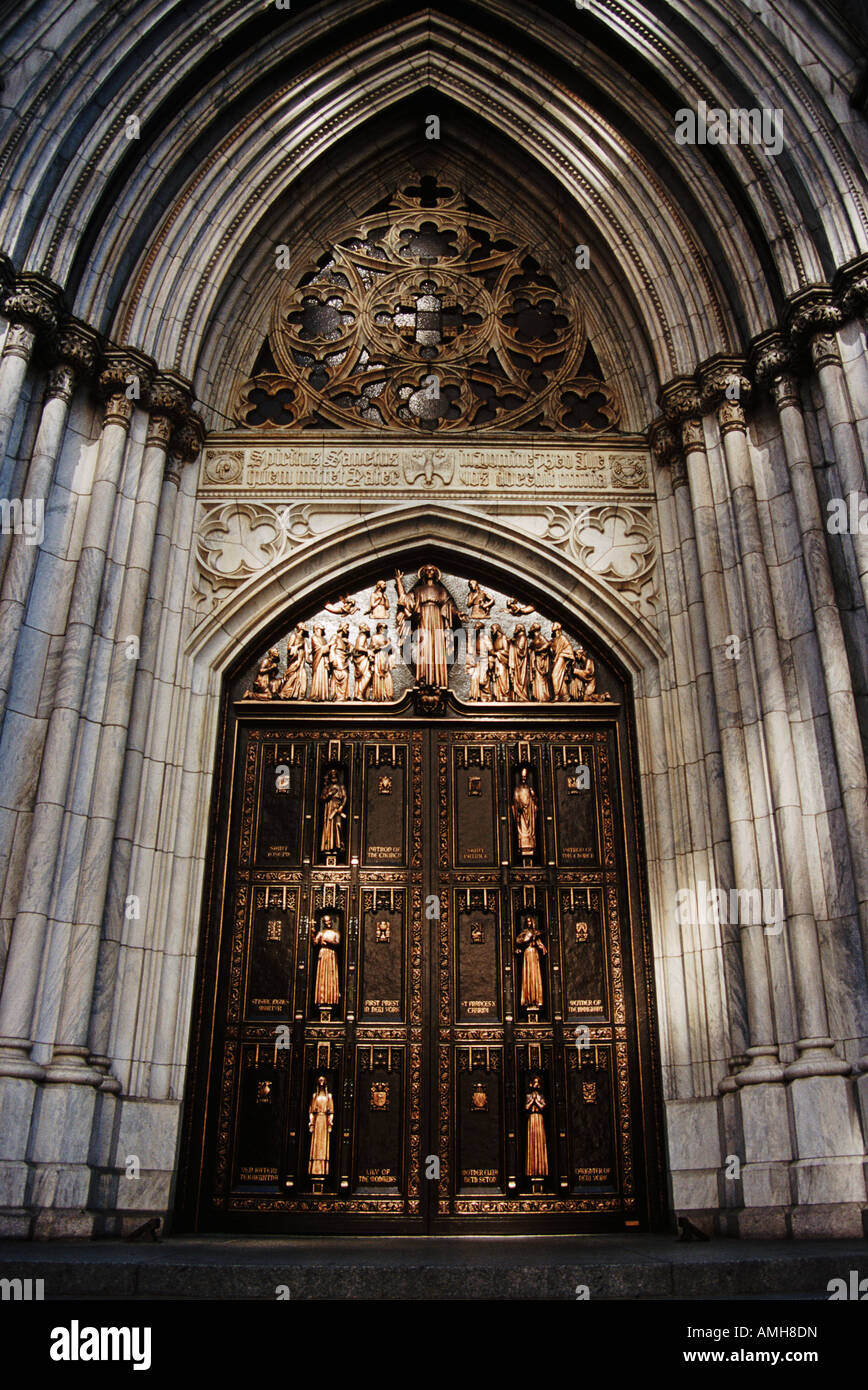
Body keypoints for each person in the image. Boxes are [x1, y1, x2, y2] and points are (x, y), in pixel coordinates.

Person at [394, 565, 464, 687]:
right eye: (427, 570)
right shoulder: (418, 590)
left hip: (438, 620)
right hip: (423, 620)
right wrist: (399, 582)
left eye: (432, 570)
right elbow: (405, 600)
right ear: (423, 573)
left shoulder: (441, 591)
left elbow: (449, 606)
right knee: (424, 647)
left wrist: (458, 613)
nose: (429, 572)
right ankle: (423, 677)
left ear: (436, 573)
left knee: (437, 647)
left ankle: (438, 679)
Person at [516, 912, 546, 1009]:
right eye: (527, 922)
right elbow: (519, 941)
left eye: (530, 921)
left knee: (534, 975)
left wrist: (542, 947)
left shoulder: (535, 933)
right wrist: (528, 937)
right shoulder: (525, 933)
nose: (529, 923)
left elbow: (540, 944)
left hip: (534, 953)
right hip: (527, 953)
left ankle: (536, 999)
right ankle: (527, 999)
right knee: (528, 975)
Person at [308, 1075, 334, 1177]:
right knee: (316, 1143)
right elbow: (311, 1111)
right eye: (320, 1080)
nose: (321, 1082)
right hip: (318, 1120)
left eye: (323, 1080)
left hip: (324, 1121)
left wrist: (329, 1123)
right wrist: (312, 1123)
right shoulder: (315, 1096)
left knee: (323, 1143)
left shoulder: (329, 1096)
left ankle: (323, 1168)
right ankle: (315, 1168)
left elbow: (331, 1111)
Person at [313, 913, 341, 1004]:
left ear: (331, 921)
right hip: (323, 954)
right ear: (323, 923)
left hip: (332, 955)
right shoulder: (321, 933)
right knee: (322, 974)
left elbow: (337, 943)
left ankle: (332, 998)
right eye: (326, 921)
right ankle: (321, 998)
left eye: (329, 921)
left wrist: (328, 941)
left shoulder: (336, 932)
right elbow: (315, 943)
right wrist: (312, 933)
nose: (328, 923)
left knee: (331, 974)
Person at [525, 1076, 548, 1177]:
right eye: (534, 1082)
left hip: (539, 1118)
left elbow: (543, 1107)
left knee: (540, 1142)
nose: (536, 1084)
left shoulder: (541, 1096)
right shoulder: (528, 1096)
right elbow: (526, 1107)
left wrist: (536, 1101)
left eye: (538, 1082)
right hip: (532, 1119)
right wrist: (532, 1101)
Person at [277, 625, 308, 699]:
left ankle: (299, 694)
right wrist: (297, 646)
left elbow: (307, 651)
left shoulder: (304, 639)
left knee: (302, 676)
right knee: (292, 676)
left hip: (301, 661)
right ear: (300, 627)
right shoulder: (294, 636)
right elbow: (289, 647)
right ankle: (285, 693)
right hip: (295, 660)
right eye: (304, 625)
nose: (305, 626)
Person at [319, 768, 346, 852]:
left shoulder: (341, 787)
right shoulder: (327, 787)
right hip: (329, 808)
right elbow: (322, 798)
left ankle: (339, 845)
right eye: (332, 776)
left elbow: (345, 797)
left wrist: (341, 806)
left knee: (338, 826)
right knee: (329, 826)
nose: (334, 778)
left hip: (337, 808)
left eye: (335, 776)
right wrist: (329, 794)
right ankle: (329, 846)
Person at [371, 623, 394, 700]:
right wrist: (387, 644)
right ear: (380, 628)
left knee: (386, 673)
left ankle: (387, 694)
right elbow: (374, 648)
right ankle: (379, 695)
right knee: (378, 673)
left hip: (385, 657)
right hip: (378, 656)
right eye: (383, 628)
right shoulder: (375, 637)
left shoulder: (386, 638)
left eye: (385, 628)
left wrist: (389, 645)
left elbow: (390, 650)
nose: (384, 630)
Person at [309, 625, 329, 700]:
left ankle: (323, 695)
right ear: (316, 629)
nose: (321, 630)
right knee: (318, 676)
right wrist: (330, 644)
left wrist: (327, 661)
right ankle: (316, 694)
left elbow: (326, 651)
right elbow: (319, 649)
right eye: (320, 629)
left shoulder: (323, 639)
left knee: (324, 676)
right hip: (318, 660)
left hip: (323, 660)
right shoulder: (314, 637)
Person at [352, 623, 373, 700]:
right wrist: (367, 650)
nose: (368, 628)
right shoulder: (362, 636)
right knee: (367, 675)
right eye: (367, 626)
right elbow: (358, 647)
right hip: (361, 659)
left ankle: (360, 694)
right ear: (363, 628)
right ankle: (360, 694)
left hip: (362, 659)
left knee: (363, 677)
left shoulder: (361, 637)